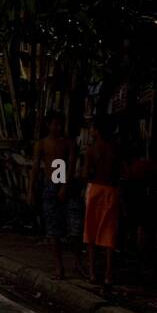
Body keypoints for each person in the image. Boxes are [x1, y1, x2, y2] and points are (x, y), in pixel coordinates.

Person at [29, 111, 83, 278]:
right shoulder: (42, 144)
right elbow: (36, 168)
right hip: (50, 186)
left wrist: (65, 187)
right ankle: (59, 266)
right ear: (48, 125)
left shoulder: (69, 143)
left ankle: (77, 262)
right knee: (54, 230)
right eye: (55, 124)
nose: (58, 127)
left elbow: (71, 166)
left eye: (60, 124)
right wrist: (31, 190)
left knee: (75, 228)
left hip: (67, 186)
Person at [81, 117, 121, 289]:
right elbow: (121, 171)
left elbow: (85, 173)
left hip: (95, 189)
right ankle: (108, 274)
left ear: (97, 131)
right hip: (111, 190)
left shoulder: (92, 150)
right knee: (109, 232)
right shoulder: (114, 149)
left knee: (91, 231)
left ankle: (92, 273)